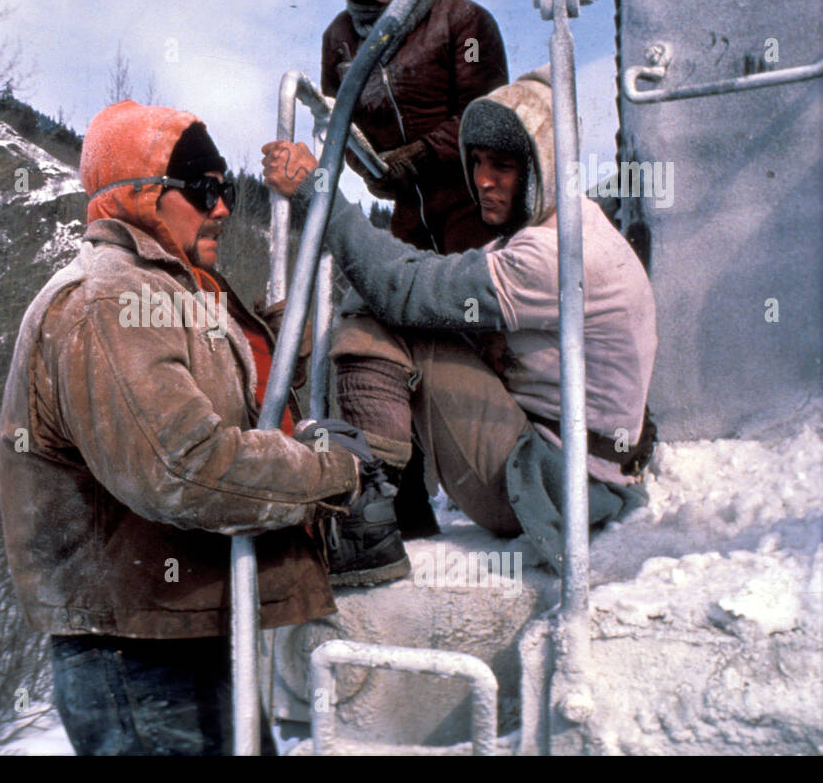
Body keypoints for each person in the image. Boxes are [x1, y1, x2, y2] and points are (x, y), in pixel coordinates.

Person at [0, 101, 395, 756]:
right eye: (204, 190)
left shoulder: (170, 294)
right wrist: (332, 472)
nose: (222, 209)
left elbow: (222, 389)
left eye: (227, 190)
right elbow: (181, 466)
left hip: (182, 636)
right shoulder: (108, 301)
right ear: (140, 195)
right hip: (137, 659)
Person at [262, 67, 658, 572]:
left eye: (504, 166)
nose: (484, 180)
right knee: (409, 306)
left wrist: (319, 189)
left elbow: (399, 288)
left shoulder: (552, 252)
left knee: (375, 307)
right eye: (475, 162)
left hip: (556, 486)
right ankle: (392, 504)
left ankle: (370, 520)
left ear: (545, 168)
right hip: (586, 468)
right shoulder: (576, 223)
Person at [320, 0, 511, 543]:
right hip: (405, 209)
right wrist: (371, 168)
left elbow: (488, 116)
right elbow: (337, 118)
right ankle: (404, 503)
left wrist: (416, 159)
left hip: (467, 199)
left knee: (481, 328)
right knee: (384, 322)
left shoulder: (464, 20)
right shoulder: (340, 40)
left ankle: (515, 475)